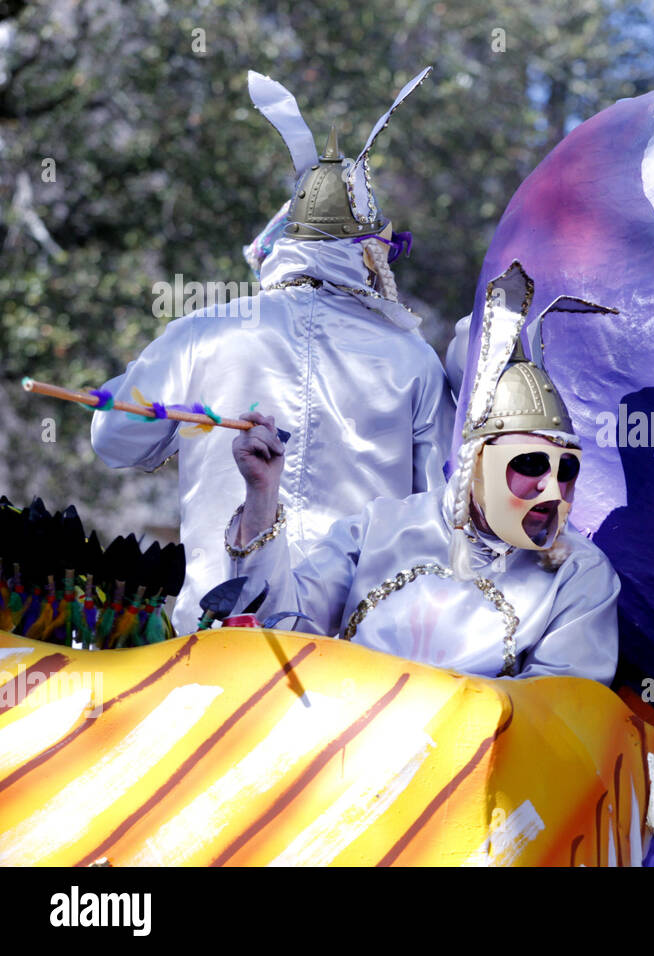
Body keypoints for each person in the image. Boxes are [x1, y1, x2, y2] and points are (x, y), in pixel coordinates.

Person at [91, 69, 455, 633]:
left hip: (221, 635)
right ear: (367, 255)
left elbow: (114, 437)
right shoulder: (413, 357)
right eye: (390, 250)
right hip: (361, 646)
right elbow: (441, 508)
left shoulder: (202, 333)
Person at [223, 262, 620, 684]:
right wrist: (261, 494)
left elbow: (563, 710)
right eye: (529, 463)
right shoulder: (378, 529)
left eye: (566, 469)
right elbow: (275, 632)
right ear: (477, 462)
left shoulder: (579, 573)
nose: (551, 488)